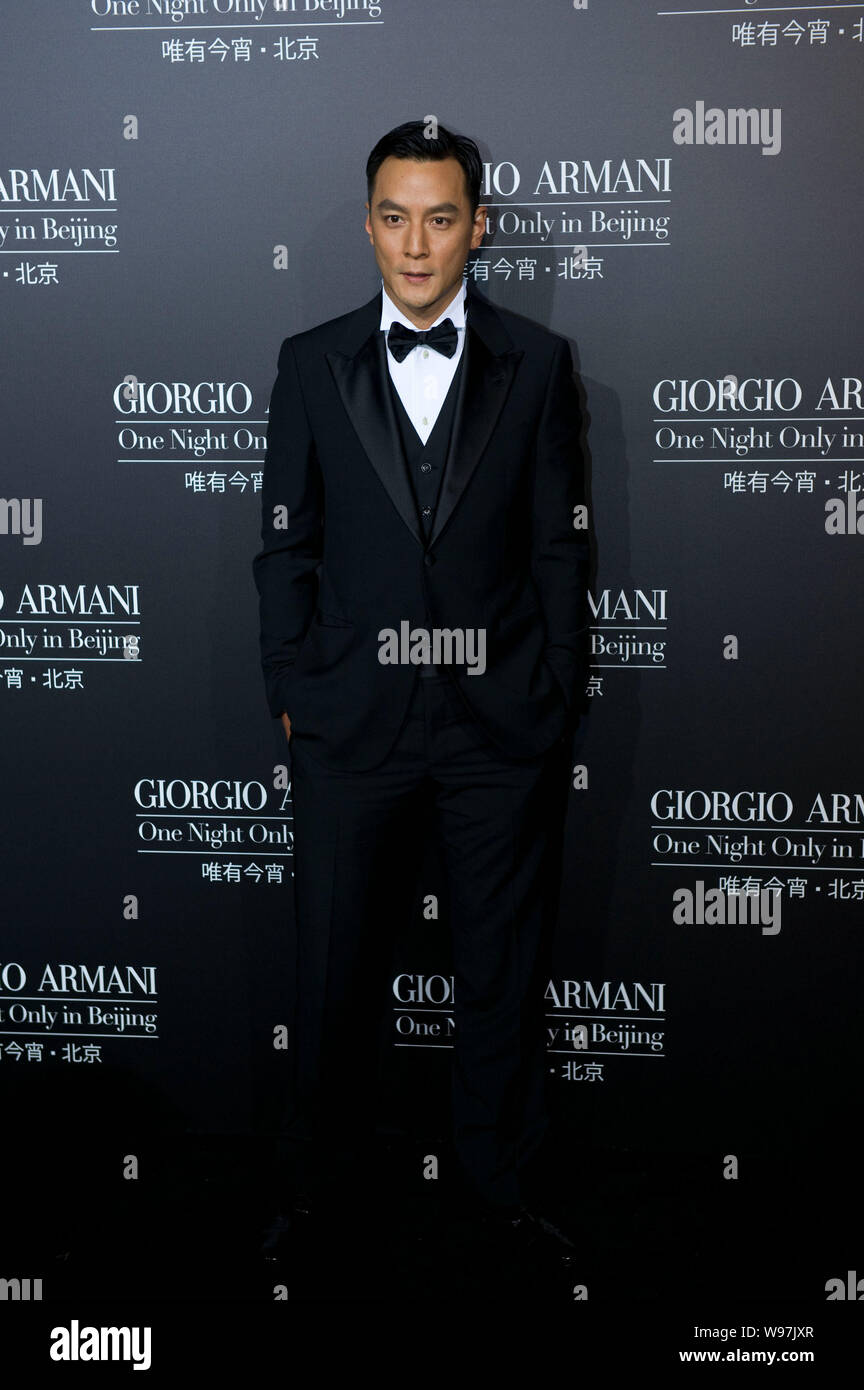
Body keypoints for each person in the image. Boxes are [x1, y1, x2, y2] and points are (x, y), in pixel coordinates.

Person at [253, 118, 589, 1270]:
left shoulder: (540, 365)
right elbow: (283, 550)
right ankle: (316, 1194)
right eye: (394, 216)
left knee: (502, 971)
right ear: (368, 222)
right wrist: (292, 689)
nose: (415, 243)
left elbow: (558, 551)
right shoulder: (311, 360)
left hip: (499, 728)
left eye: (440, 218)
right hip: (352, 728)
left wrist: (554, 689)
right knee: (332, 972)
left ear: (477, 228)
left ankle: (500, 1192)